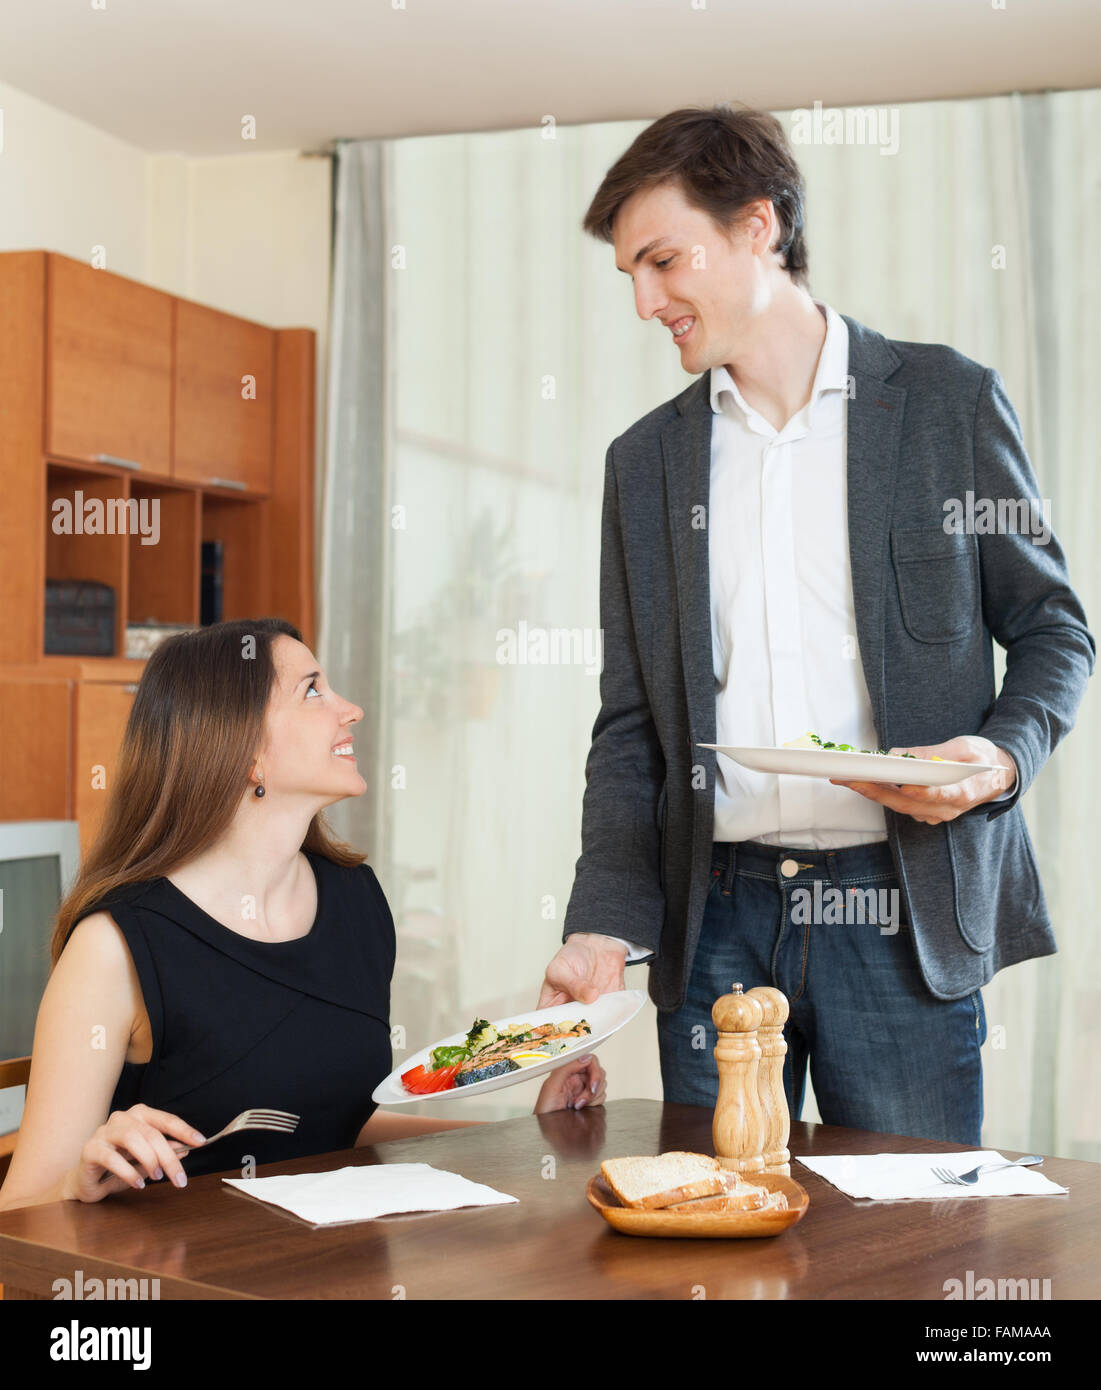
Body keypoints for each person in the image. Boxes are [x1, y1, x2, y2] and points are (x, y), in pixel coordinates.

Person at [537, 105, 1094, 1145]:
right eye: (632, 278)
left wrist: (998, 757)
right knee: (707, 1234)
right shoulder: (646, 465)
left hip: (900, 908)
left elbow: (1056, 628)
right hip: (714, 921)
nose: (649, 301)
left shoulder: (946, 404)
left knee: (914, 1251)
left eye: (664, 261)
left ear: (760, 226)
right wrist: (599, 926)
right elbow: (631, 727)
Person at [0, 617, 605, 1212]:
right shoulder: (115, 947)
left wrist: (530, 1131)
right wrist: (79, 1179)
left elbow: (337, 1128)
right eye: (312, 689)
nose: (351, 710)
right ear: (243, 749)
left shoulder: (355, 902)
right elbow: (21, 1205)